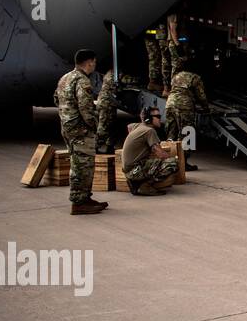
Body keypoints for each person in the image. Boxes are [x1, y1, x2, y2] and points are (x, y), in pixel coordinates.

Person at [53, 49, 108, 215]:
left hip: (68, 128)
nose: (95, 65)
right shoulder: (83, 81)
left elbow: (56, 99)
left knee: (78, 163)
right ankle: (78, 202)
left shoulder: (65, 78)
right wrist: (95, 126)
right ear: (89, 62)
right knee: (83, 166)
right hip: (80, 131)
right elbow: (86, 108)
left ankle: (85, 197)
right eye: (94, 62)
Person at [121, 106, 178, 196]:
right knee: (172, 163)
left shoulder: (138, 126)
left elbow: (129, 126)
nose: (160, 119)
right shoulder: (149, 131)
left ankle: (136, 183)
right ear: (148, 119)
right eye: (158, 117)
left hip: (128, 170)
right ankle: (144, 186)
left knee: (154, 163)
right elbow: (159, 153)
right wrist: (174, 157)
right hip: (135, 171)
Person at [164, 61, 210, 171]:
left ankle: (169, 160)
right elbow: (201, 96)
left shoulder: (176, 76)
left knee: (171, 132)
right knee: (187, 132)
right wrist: (206, 108)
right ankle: (183, 162)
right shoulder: (195, 78)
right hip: (184, 105)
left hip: (170, 103)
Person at [95, 65, 138, 154]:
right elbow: (125, 80)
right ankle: (95, 146)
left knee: (111, 124)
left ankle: (109, 146)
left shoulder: (108, 72)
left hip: (104, 101)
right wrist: (137, 79)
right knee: (104, 126)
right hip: (107, 103)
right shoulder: (115, 73)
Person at [145, 22, 165, 93]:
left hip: (152, 35)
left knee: (155, 58)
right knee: (154, 58)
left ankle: (154, 82)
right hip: (151, 36)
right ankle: (153, 82)